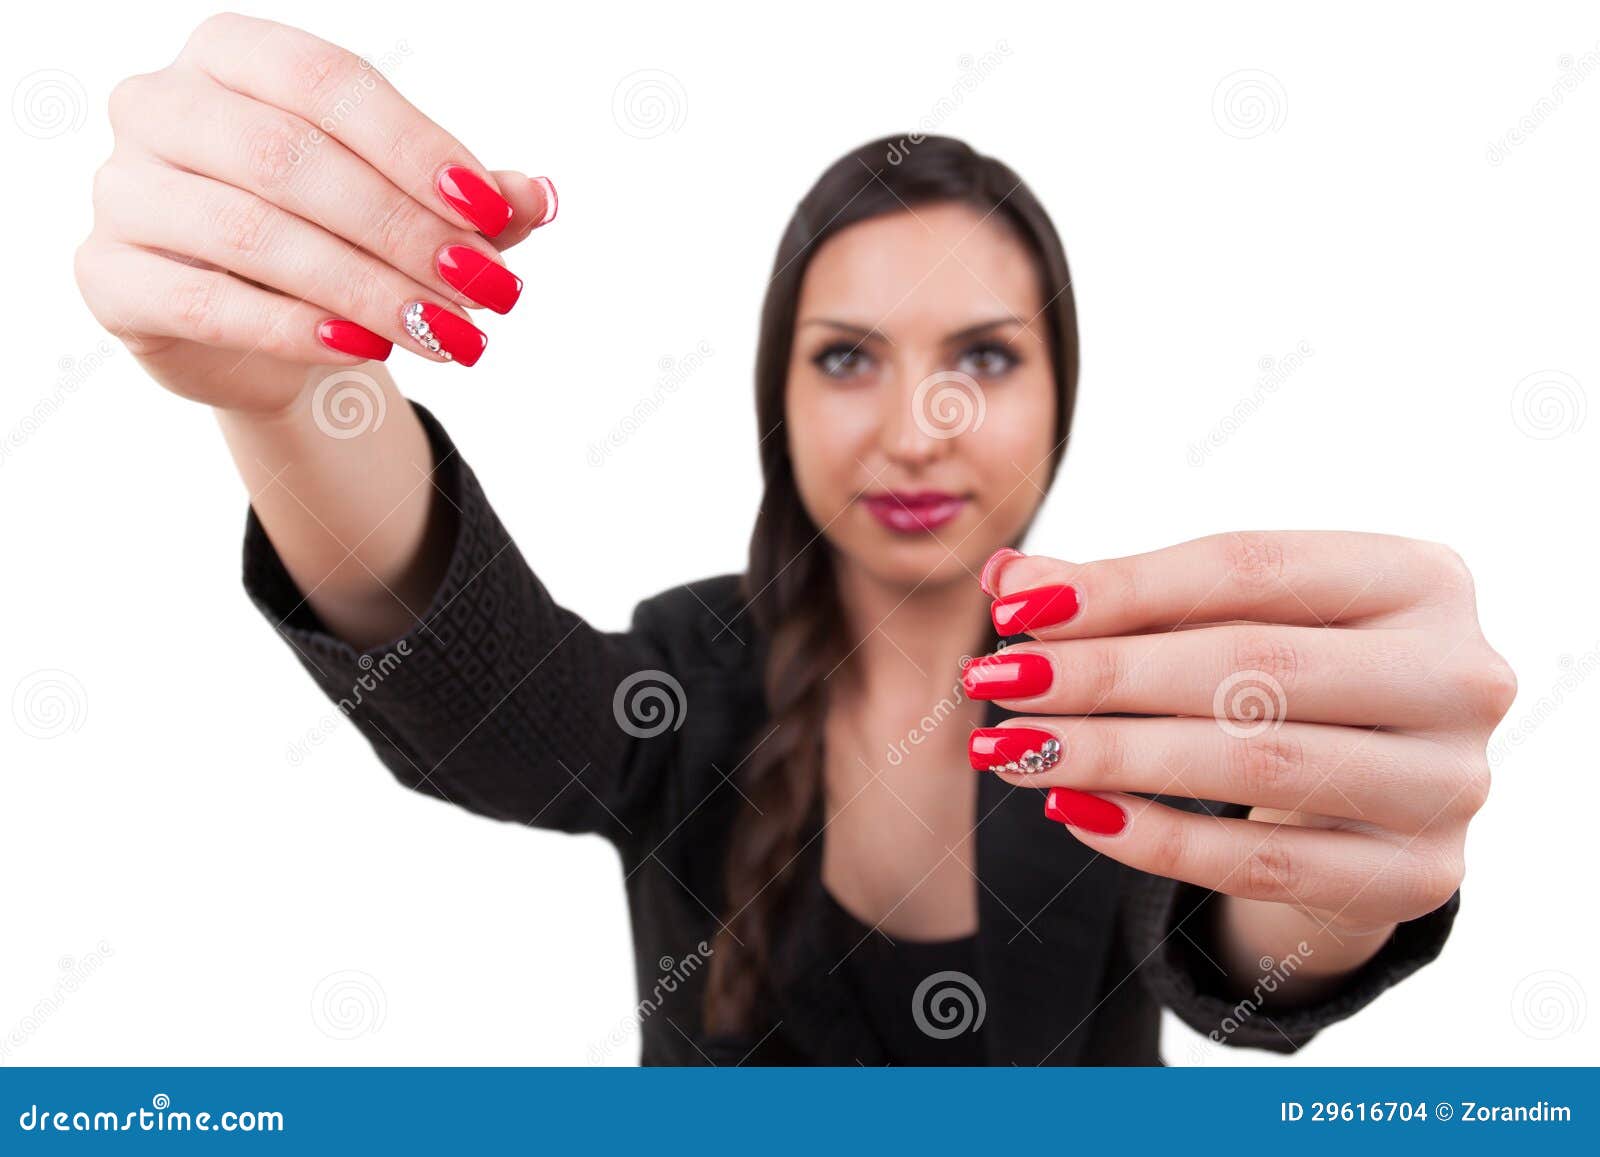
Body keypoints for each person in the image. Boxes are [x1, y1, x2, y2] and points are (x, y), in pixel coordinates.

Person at [74, 14, 1517, 1065]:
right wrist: (289, 391)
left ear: (1063, 392)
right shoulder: (693, 668)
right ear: (777, 396)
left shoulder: (1123, 693)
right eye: (846, 358)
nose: (916, 424)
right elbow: (483, 708)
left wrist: (1334, 878)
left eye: (986, 357)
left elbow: (1239, 961)